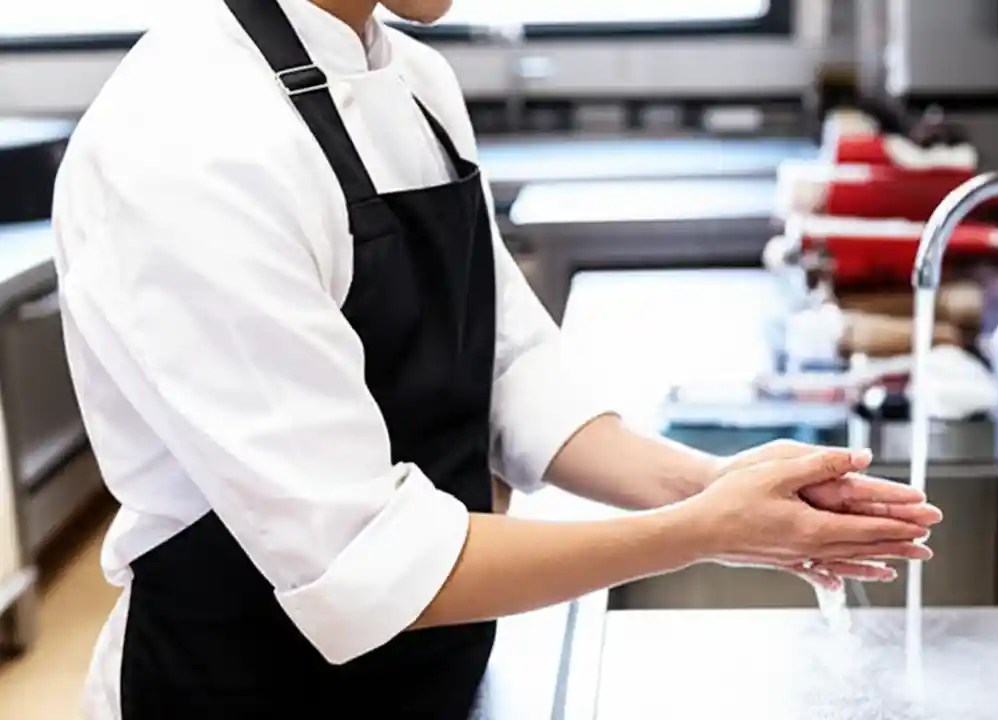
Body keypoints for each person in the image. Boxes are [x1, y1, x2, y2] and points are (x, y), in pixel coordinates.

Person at [51, 0, 942, 717]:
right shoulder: (185, 137)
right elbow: (366, 560)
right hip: (244, 687)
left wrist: (717, 488)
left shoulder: (415, 82)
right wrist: (701, 532)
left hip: (435, 671)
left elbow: (515, 373)